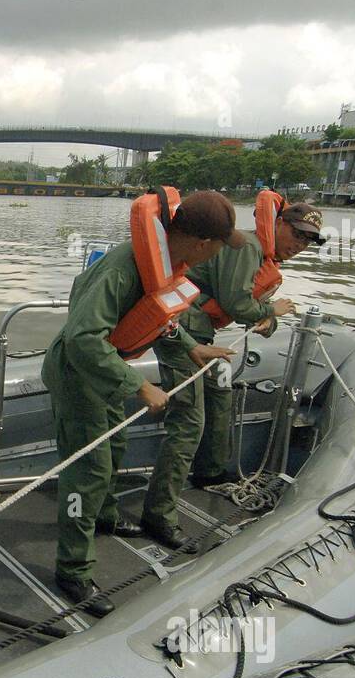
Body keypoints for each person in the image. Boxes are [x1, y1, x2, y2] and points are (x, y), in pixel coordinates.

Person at [41, 190, 239, 617]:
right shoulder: (121, 268)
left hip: (108, 370)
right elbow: (82, 339)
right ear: (204, 244)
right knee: (87, 472)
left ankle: (105, 519)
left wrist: (190, 347)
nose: (221, 254)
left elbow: (157, 316)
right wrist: (139, 385)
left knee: (114, 450)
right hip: (79, 373)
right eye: (222, 246)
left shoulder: (164, 263)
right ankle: (73, 568)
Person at [140, 200, 326, 550]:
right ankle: (158, 515)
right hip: (181, 326)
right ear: (279, 223)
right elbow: (238, 304)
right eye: (298, 234)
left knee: (219, 391)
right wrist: (273, 310)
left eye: (309, 241)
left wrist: (268, 318)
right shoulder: (250, 249)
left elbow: (247, 311)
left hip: (200, 329)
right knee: (188, 423)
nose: (300, 245)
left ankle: (210, 471)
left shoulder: (260, 256)